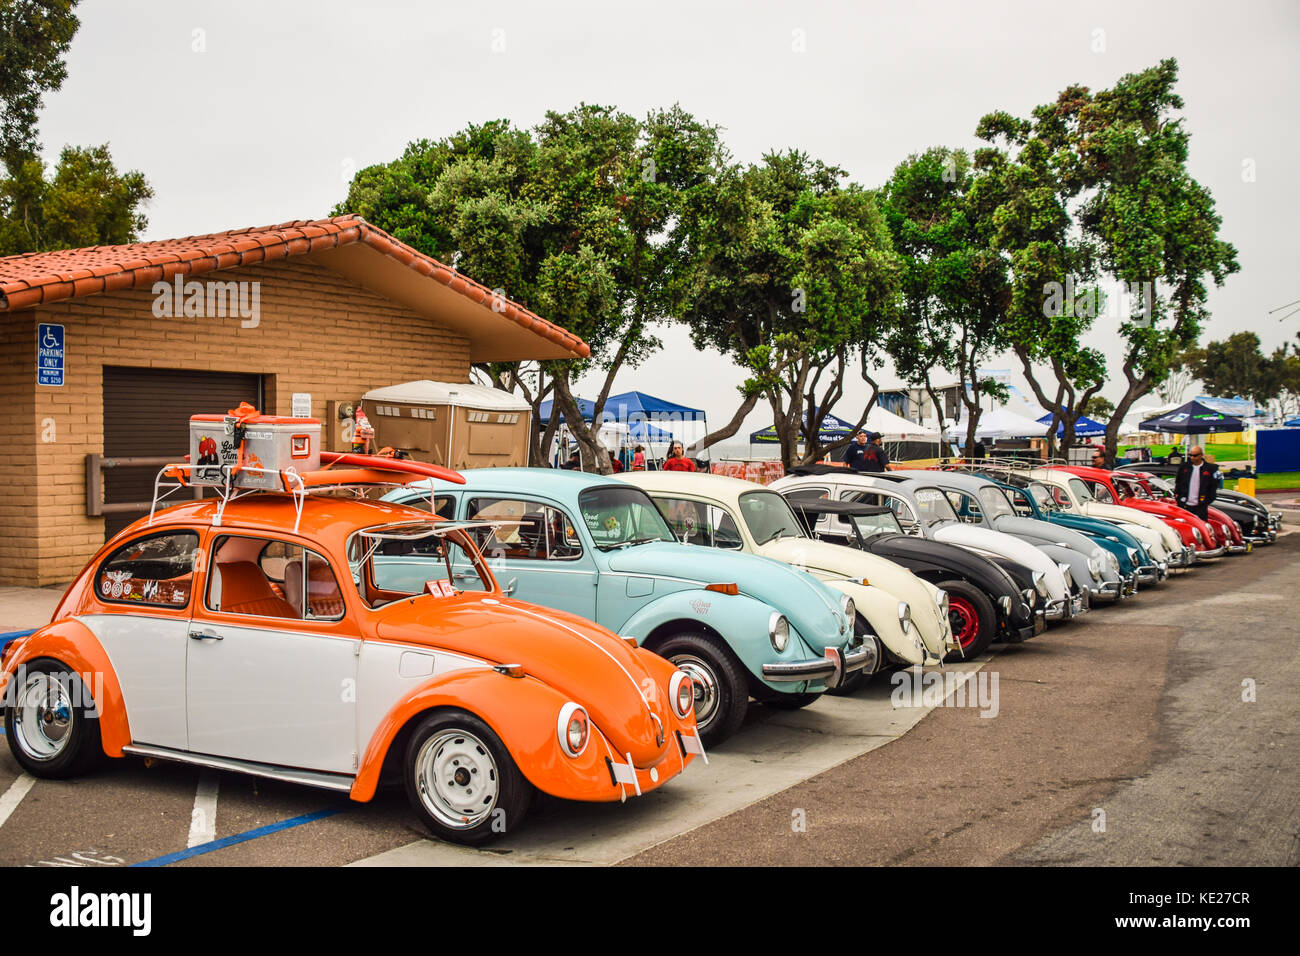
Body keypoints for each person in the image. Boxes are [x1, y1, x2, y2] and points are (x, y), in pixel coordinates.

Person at [1174, 445, 1218, 520]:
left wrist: (1205, 502)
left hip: (1200, 507)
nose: (1192, 458)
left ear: (1201, 455)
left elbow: (1213, 487)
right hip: (1185, 505)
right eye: (1190, 455)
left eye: (1195, 455)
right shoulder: (1184, 467)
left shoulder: (1210, 469)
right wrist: (1178, 498)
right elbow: (1178, 483)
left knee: (1201, 525)